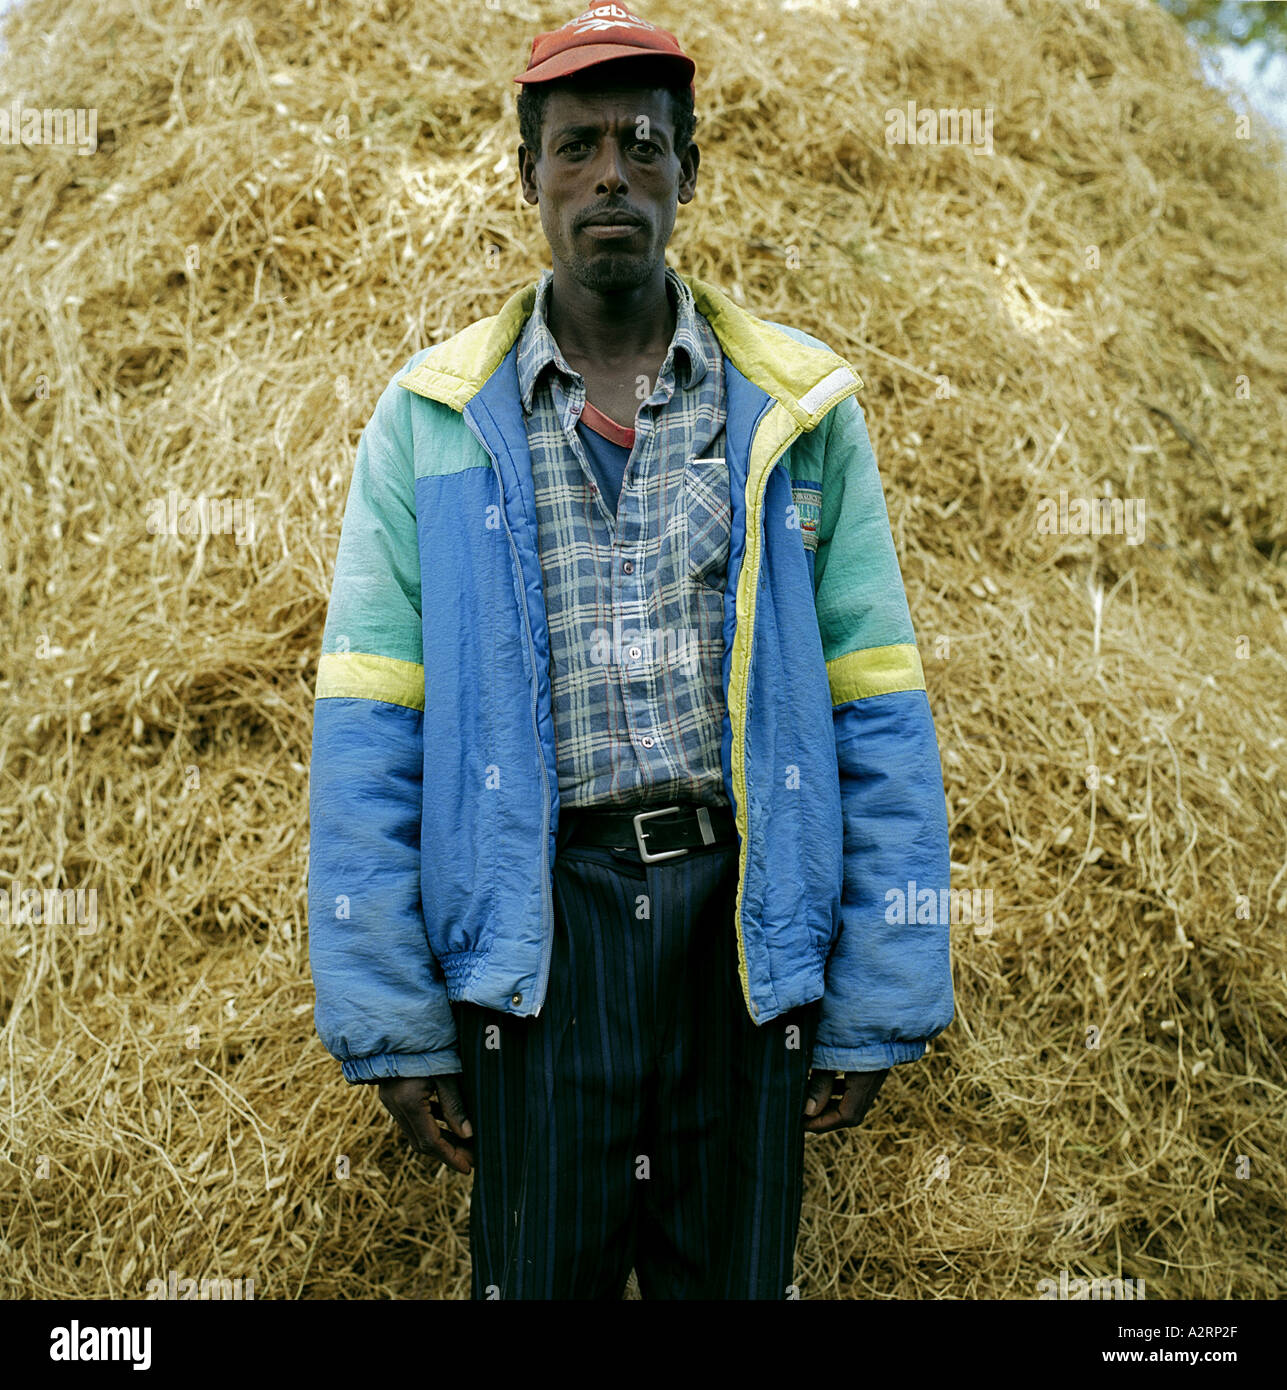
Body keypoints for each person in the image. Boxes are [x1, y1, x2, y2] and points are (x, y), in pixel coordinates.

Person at [307, 1, 954, 1300]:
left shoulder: (796, 414)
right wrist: (393, 1019)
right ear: (529, 176)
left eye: (645, 146)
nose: (612, 174)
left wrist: (881, 984)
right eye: (579, 146)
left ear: (687, 175)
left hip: (742, 933)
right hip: (537, 935)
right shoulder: (433, 422)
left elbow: (875, 707)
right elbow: (372, 732)